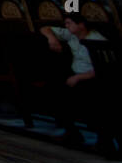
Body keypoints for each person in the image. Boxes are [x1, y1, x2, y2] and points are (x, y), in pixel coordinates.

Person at [40, 11, 108, 148]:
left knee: (92, 101)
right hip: (76, 76)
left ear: (81, 25)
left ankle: (104, 138)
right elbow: (44, 28)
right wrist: (51, 39)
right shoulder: (72, 35)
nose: (66, 26)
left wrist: (78, 77)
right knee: (52, 91)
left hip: (93, 79)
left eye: (69, 23)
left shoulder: (96, 40)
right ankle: (72, 133)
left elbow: (103, 68)